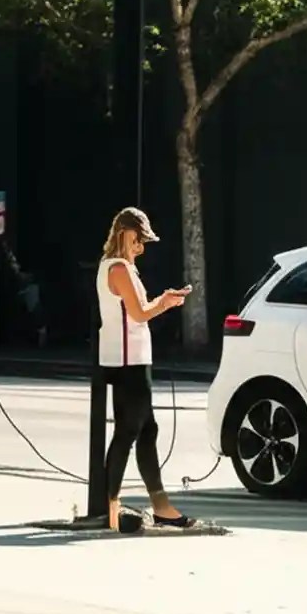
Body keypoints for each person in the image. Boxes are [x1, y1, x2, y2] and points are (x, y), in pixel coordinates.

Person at [96, 207, 194, 532]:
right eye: (138, 239)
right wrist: (164, 303)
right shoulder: (119, 268)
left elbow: (136, 312)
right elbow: (138, 314)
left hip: (131, 358)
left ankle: (159, 505)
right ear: (125, 233)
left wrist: (164, 301)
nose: (141, 247)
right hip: (129, 362)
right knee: (128, 432)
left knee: (145, 431)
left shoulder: (119, 267)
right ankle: (110, 508)